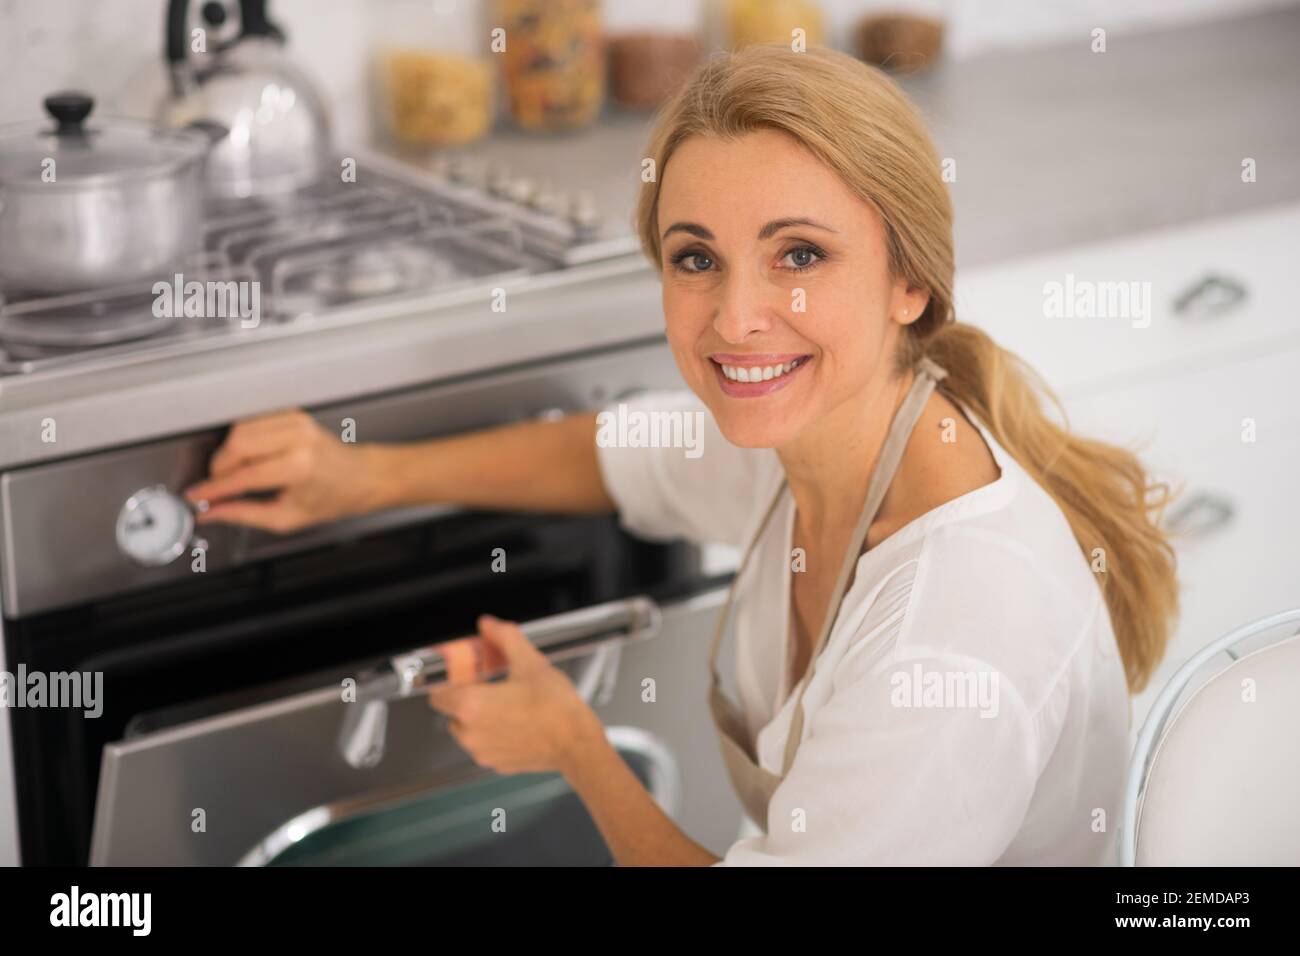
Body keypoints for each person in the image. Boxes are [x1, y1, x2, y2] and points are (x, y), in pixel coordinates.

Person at [184, 44, 1179, 866]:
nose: (737, 320)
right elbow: (613, 452)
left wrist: (572, 745)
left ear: (907, 280)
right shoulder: (827, 429)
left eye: (800, 255)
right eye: (695, 257)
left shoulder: (954, 628)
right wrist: (360, 478)